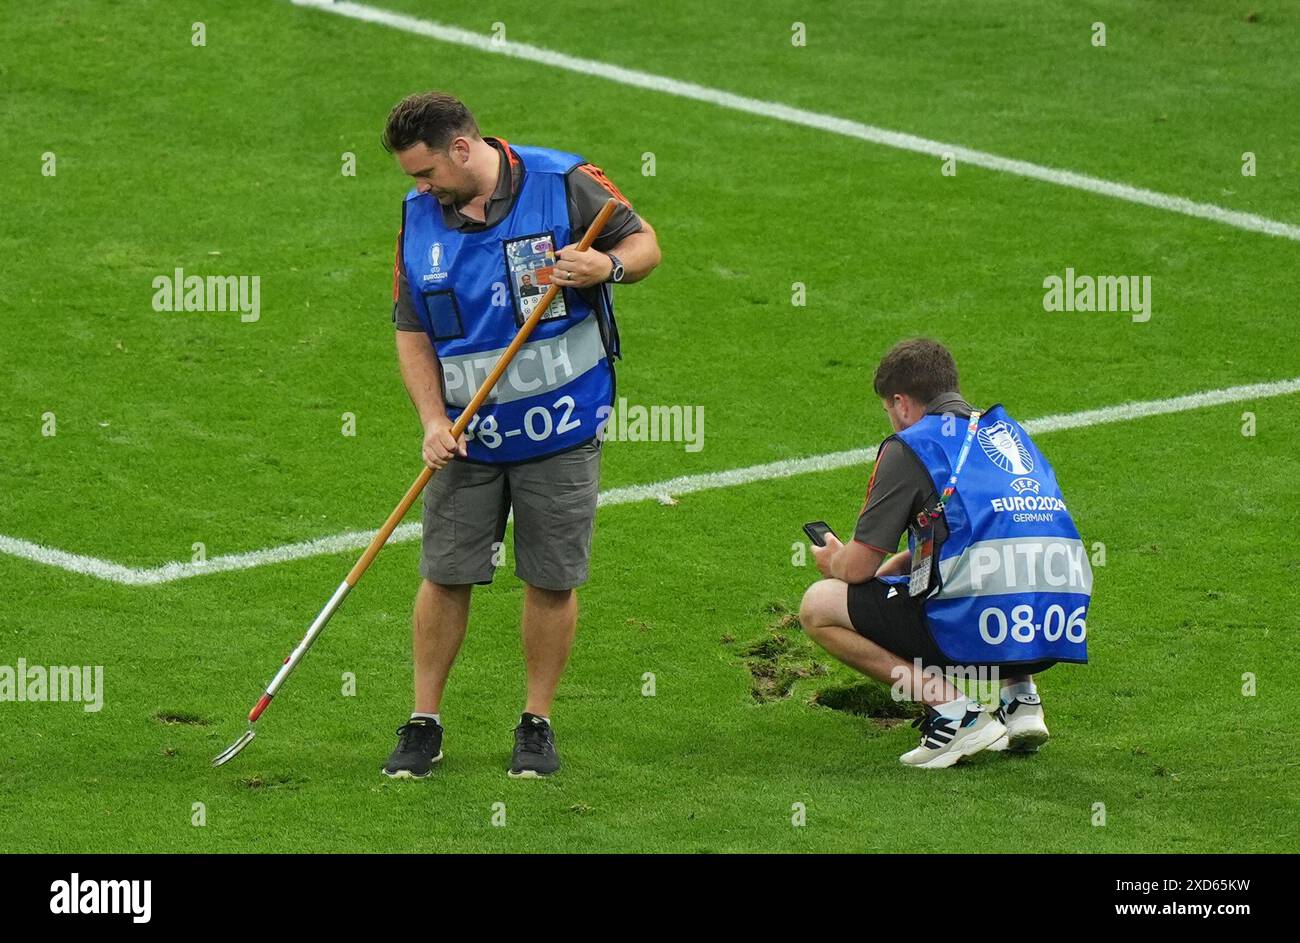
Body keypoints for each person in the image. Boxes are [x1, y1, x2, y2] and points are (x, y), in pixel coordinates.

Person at [380, 92, 661, 778]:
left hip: (562, 431)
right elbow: (412, 330)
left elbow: (644, 242)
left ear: (461, 148)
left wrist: (608, 267)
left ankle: (536, 723)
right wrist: (431, 421)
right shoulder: (419, 221)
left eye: (425, 172)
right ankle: (424, 723)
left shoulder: (562, 181)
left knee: (550, 578)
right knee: (444, 574)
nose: (421, 187)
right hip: (467, 438)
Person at [798, 338, 1091, 769]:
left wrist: (833, 562)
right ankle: (1020, 699)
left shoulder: (911, 446)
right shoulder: (1010, 432)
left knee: (818, 605)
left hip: (980, 633)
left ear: (900, 403)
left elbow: (858, 568)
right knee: (1004, 560)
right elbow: (990, 526)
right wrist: (904, 563)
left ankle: (957, 713)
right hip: (1054, 629)